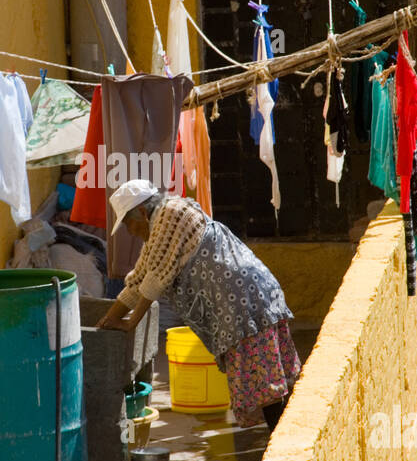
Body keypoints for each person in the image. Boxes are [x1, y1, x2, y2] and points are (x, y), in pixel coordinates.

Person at [96, 179, 301, 430]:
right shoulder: (159, 224)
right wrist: (108, 319)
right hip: (240, 304)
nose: (130, 231)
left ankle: (282, 447)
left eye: (128, 223)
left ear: (140, 211)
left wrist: (131, 323)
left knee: (266, 385)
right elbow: (138, 279)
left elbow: (155, 279)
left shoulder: (170, 214)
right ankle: (281, 439)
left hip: (245, 303)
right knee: (266, 381)